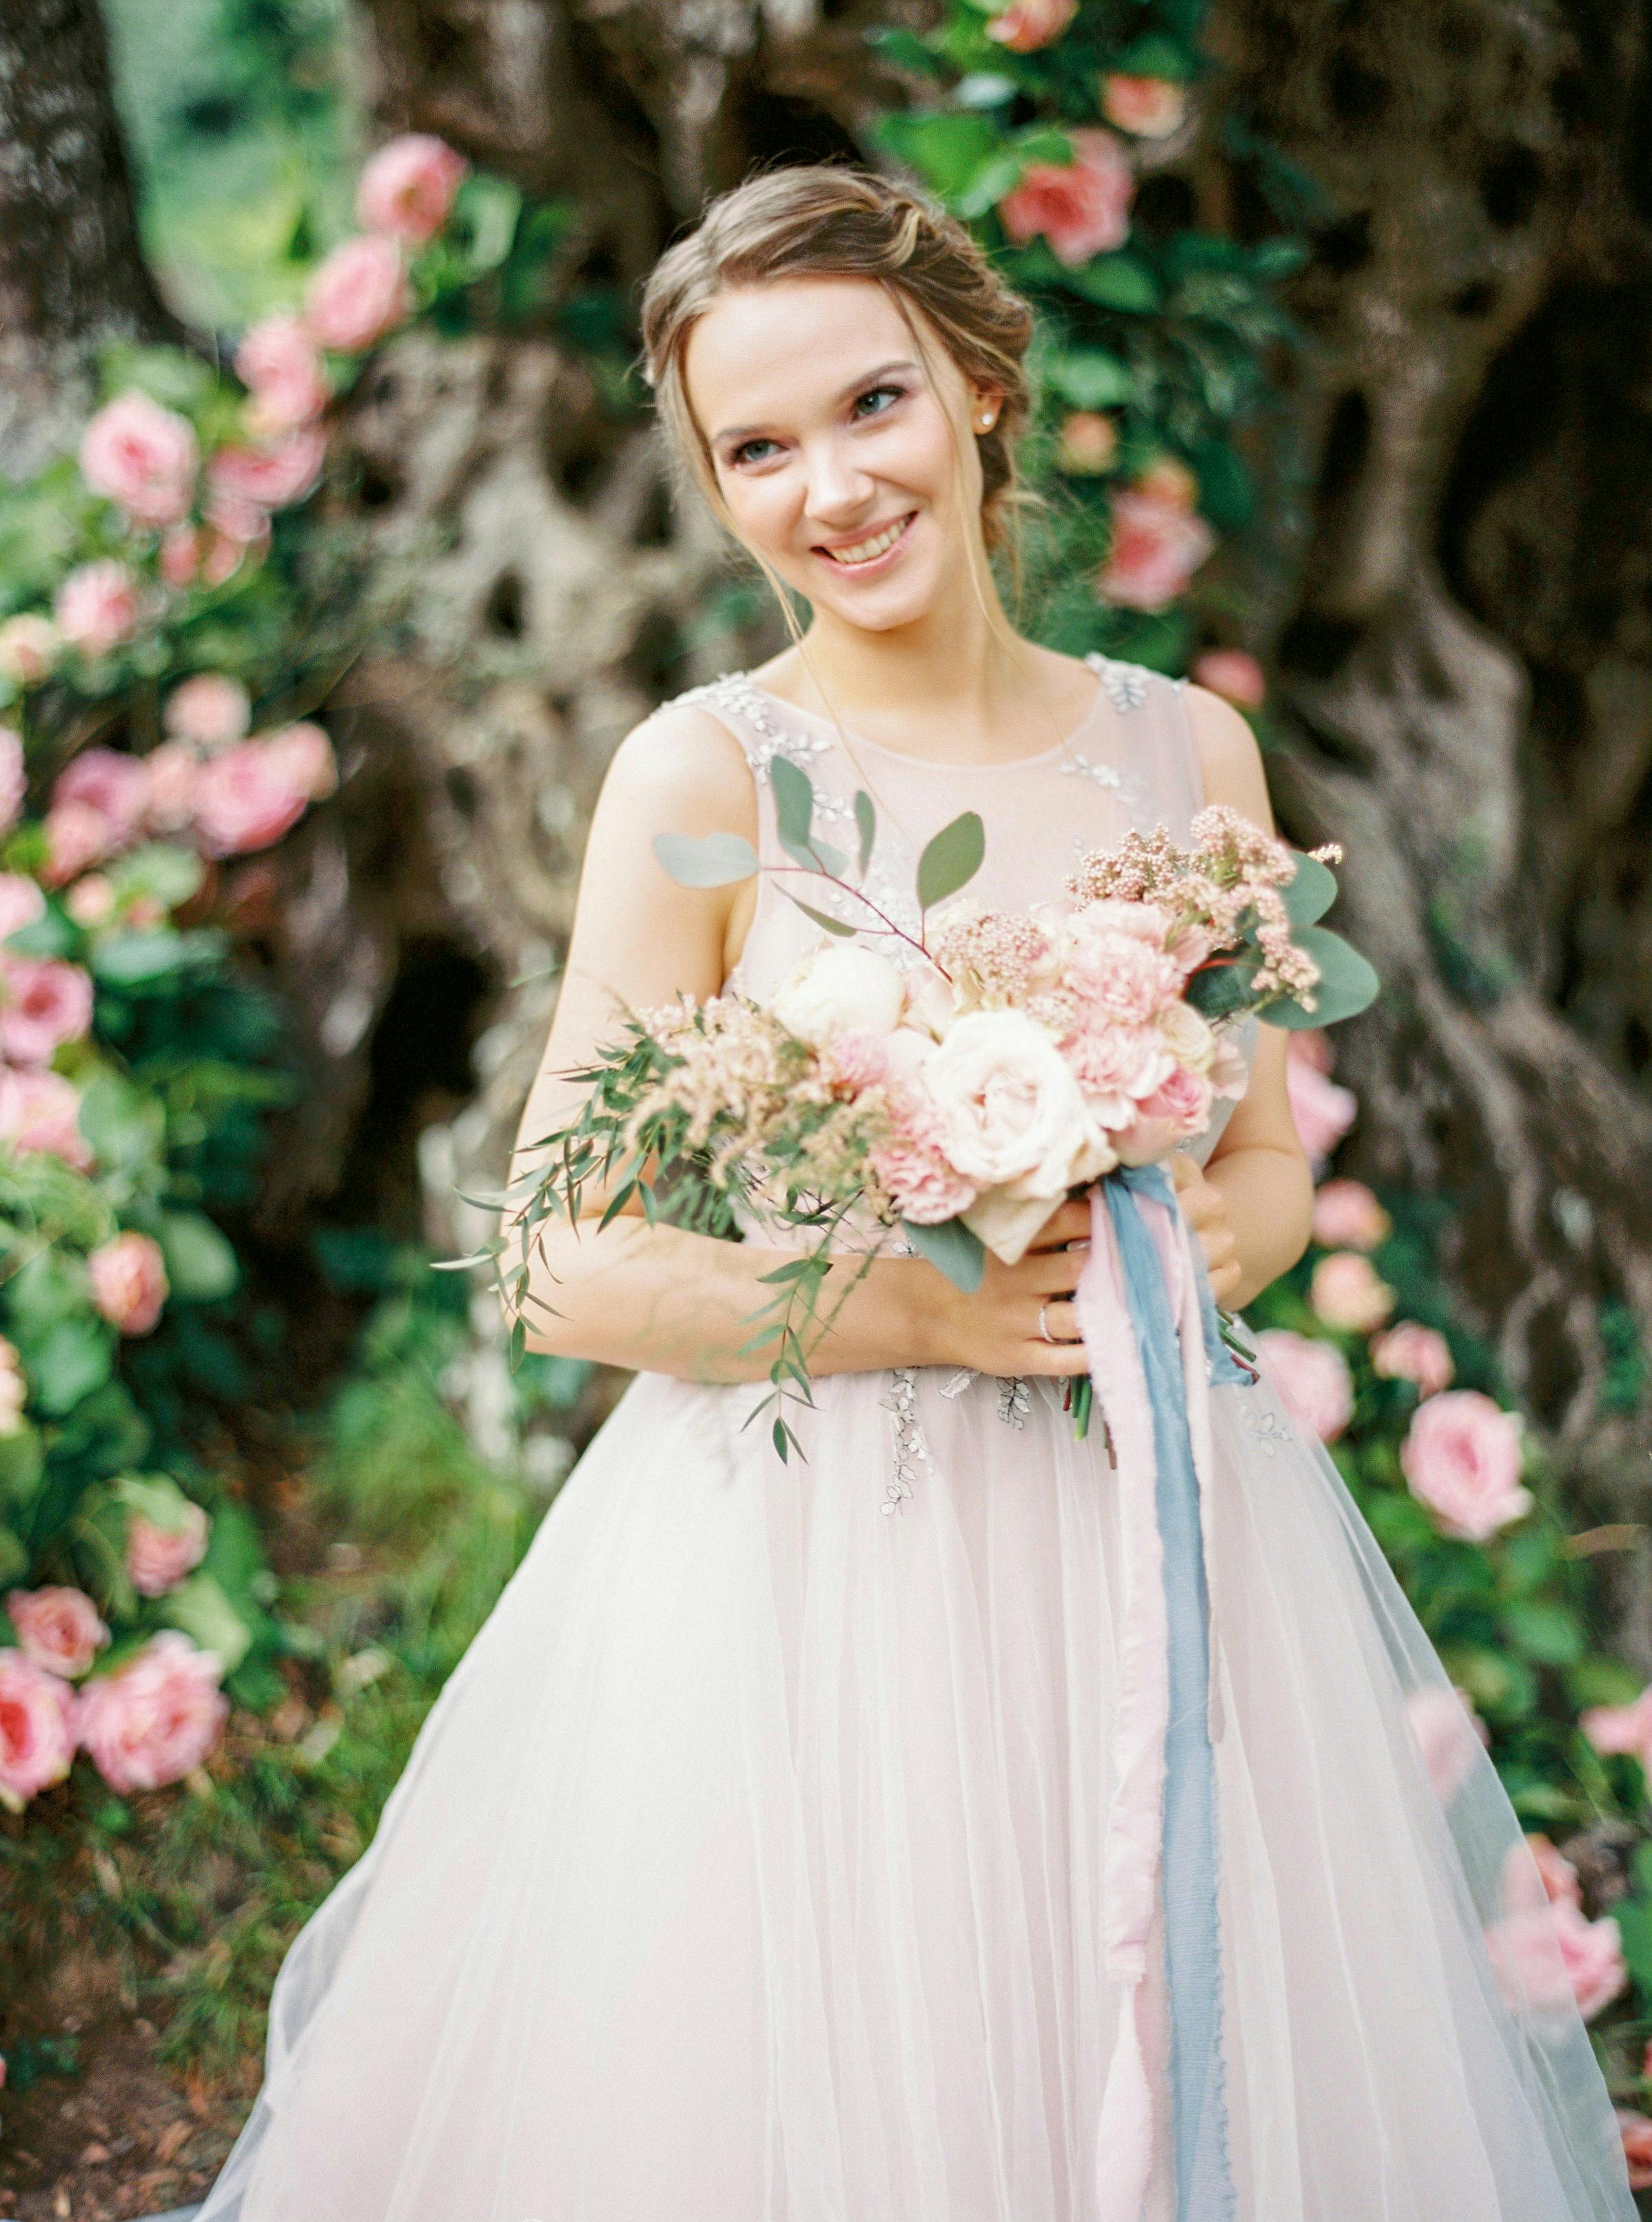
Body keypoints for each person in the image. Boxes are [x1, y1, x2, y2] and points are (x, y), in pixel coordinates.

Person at [193, 164, 1636, 2221]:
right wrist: (922, 1308)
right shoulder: (709, 779)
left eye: (872, 403)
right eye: (757, 449)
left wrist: (1175, 1249)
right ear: (715, 491)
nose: (833, 487)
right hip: (816, 1554)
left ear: (978, 384)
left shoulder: (1185, 756)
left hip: (1157, 1511)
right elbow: (555, 1261)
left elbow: (1263, 1163)